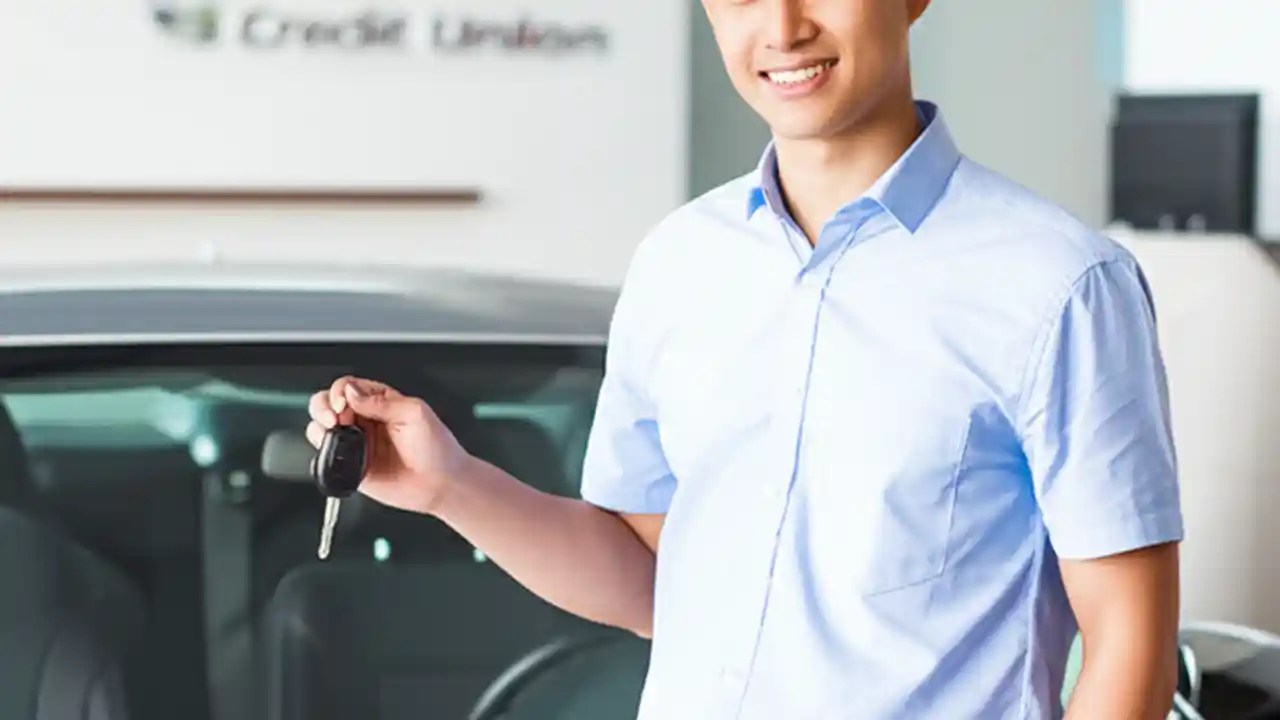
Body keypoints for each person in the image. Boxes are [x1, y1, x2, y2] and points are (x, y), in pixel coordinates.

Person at [307, 0, 1184, 717]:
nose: (784, 27)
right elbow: (653, 581)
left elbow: (1130, 643)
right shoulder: (678, 262)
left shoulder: (1060, 284)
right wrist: (450, 484)